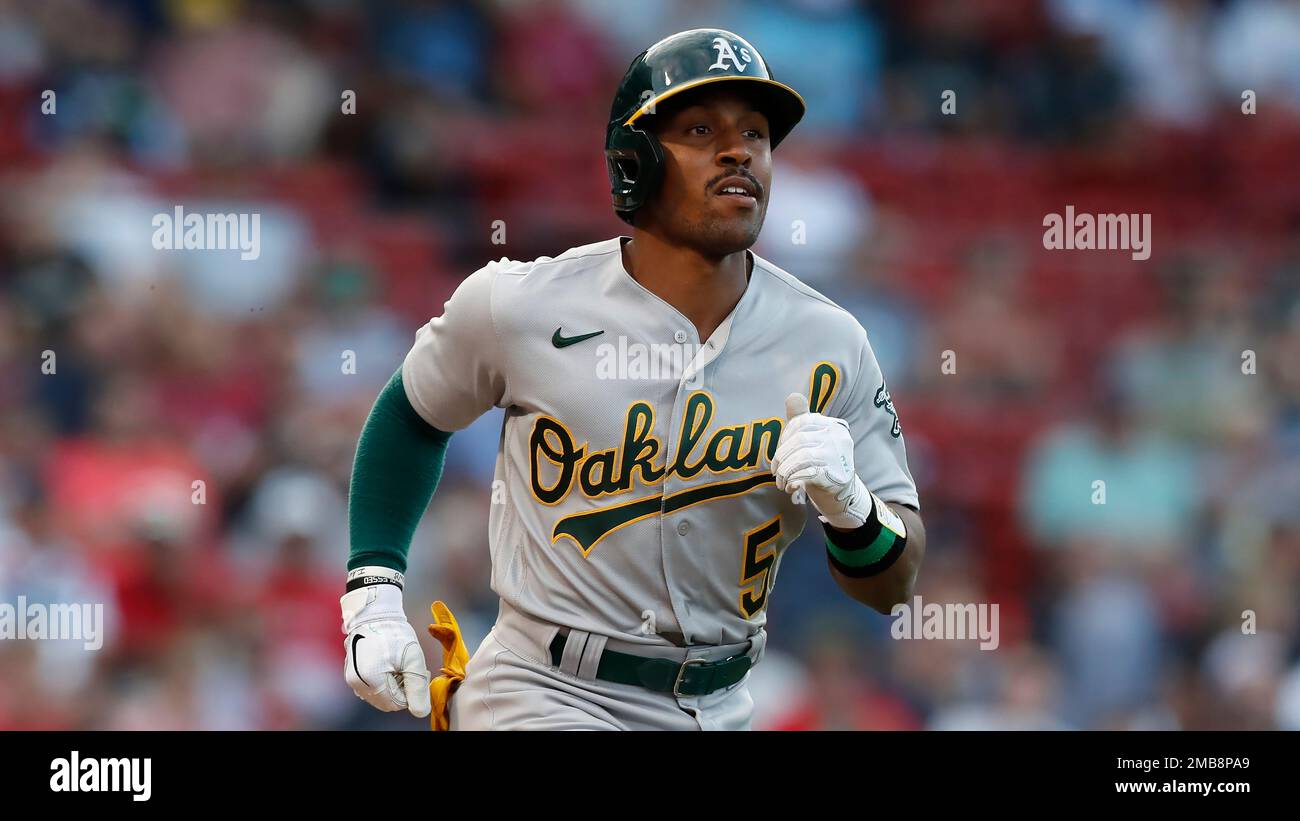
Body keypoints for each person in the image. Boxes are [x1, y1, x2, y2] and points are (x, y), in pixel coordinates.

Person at [339, 28, 925, 731]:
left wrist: (854, 511)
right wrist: (372, 592)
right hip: (546, 690)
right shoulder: (522, 305)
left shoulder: (832, 342)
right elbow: (412, 414)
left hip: (724, 702)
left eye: (757, 134)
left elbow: (896, 582)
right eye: (701, 129)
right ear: (634, 161)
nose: (739, 150)